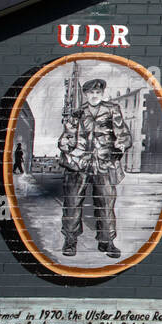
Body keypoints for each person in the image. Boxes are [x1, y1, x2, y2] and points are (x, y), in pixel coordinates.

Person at [57, 79, 130, 259]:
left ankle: (107, 241)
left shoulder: (112, 110)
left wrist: (120, 145)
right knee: (72, 203)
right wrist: (66, 145)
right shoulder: (78, 112)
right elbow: (66, 136)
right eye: (91, 93)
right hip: (79, 164)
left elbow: (123, 134)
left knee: (105, 204)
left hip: (103, 163)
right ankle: (70, 240)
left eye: (97, 93)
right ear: (86, 94)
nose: (94, 96)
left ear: (102, 93)